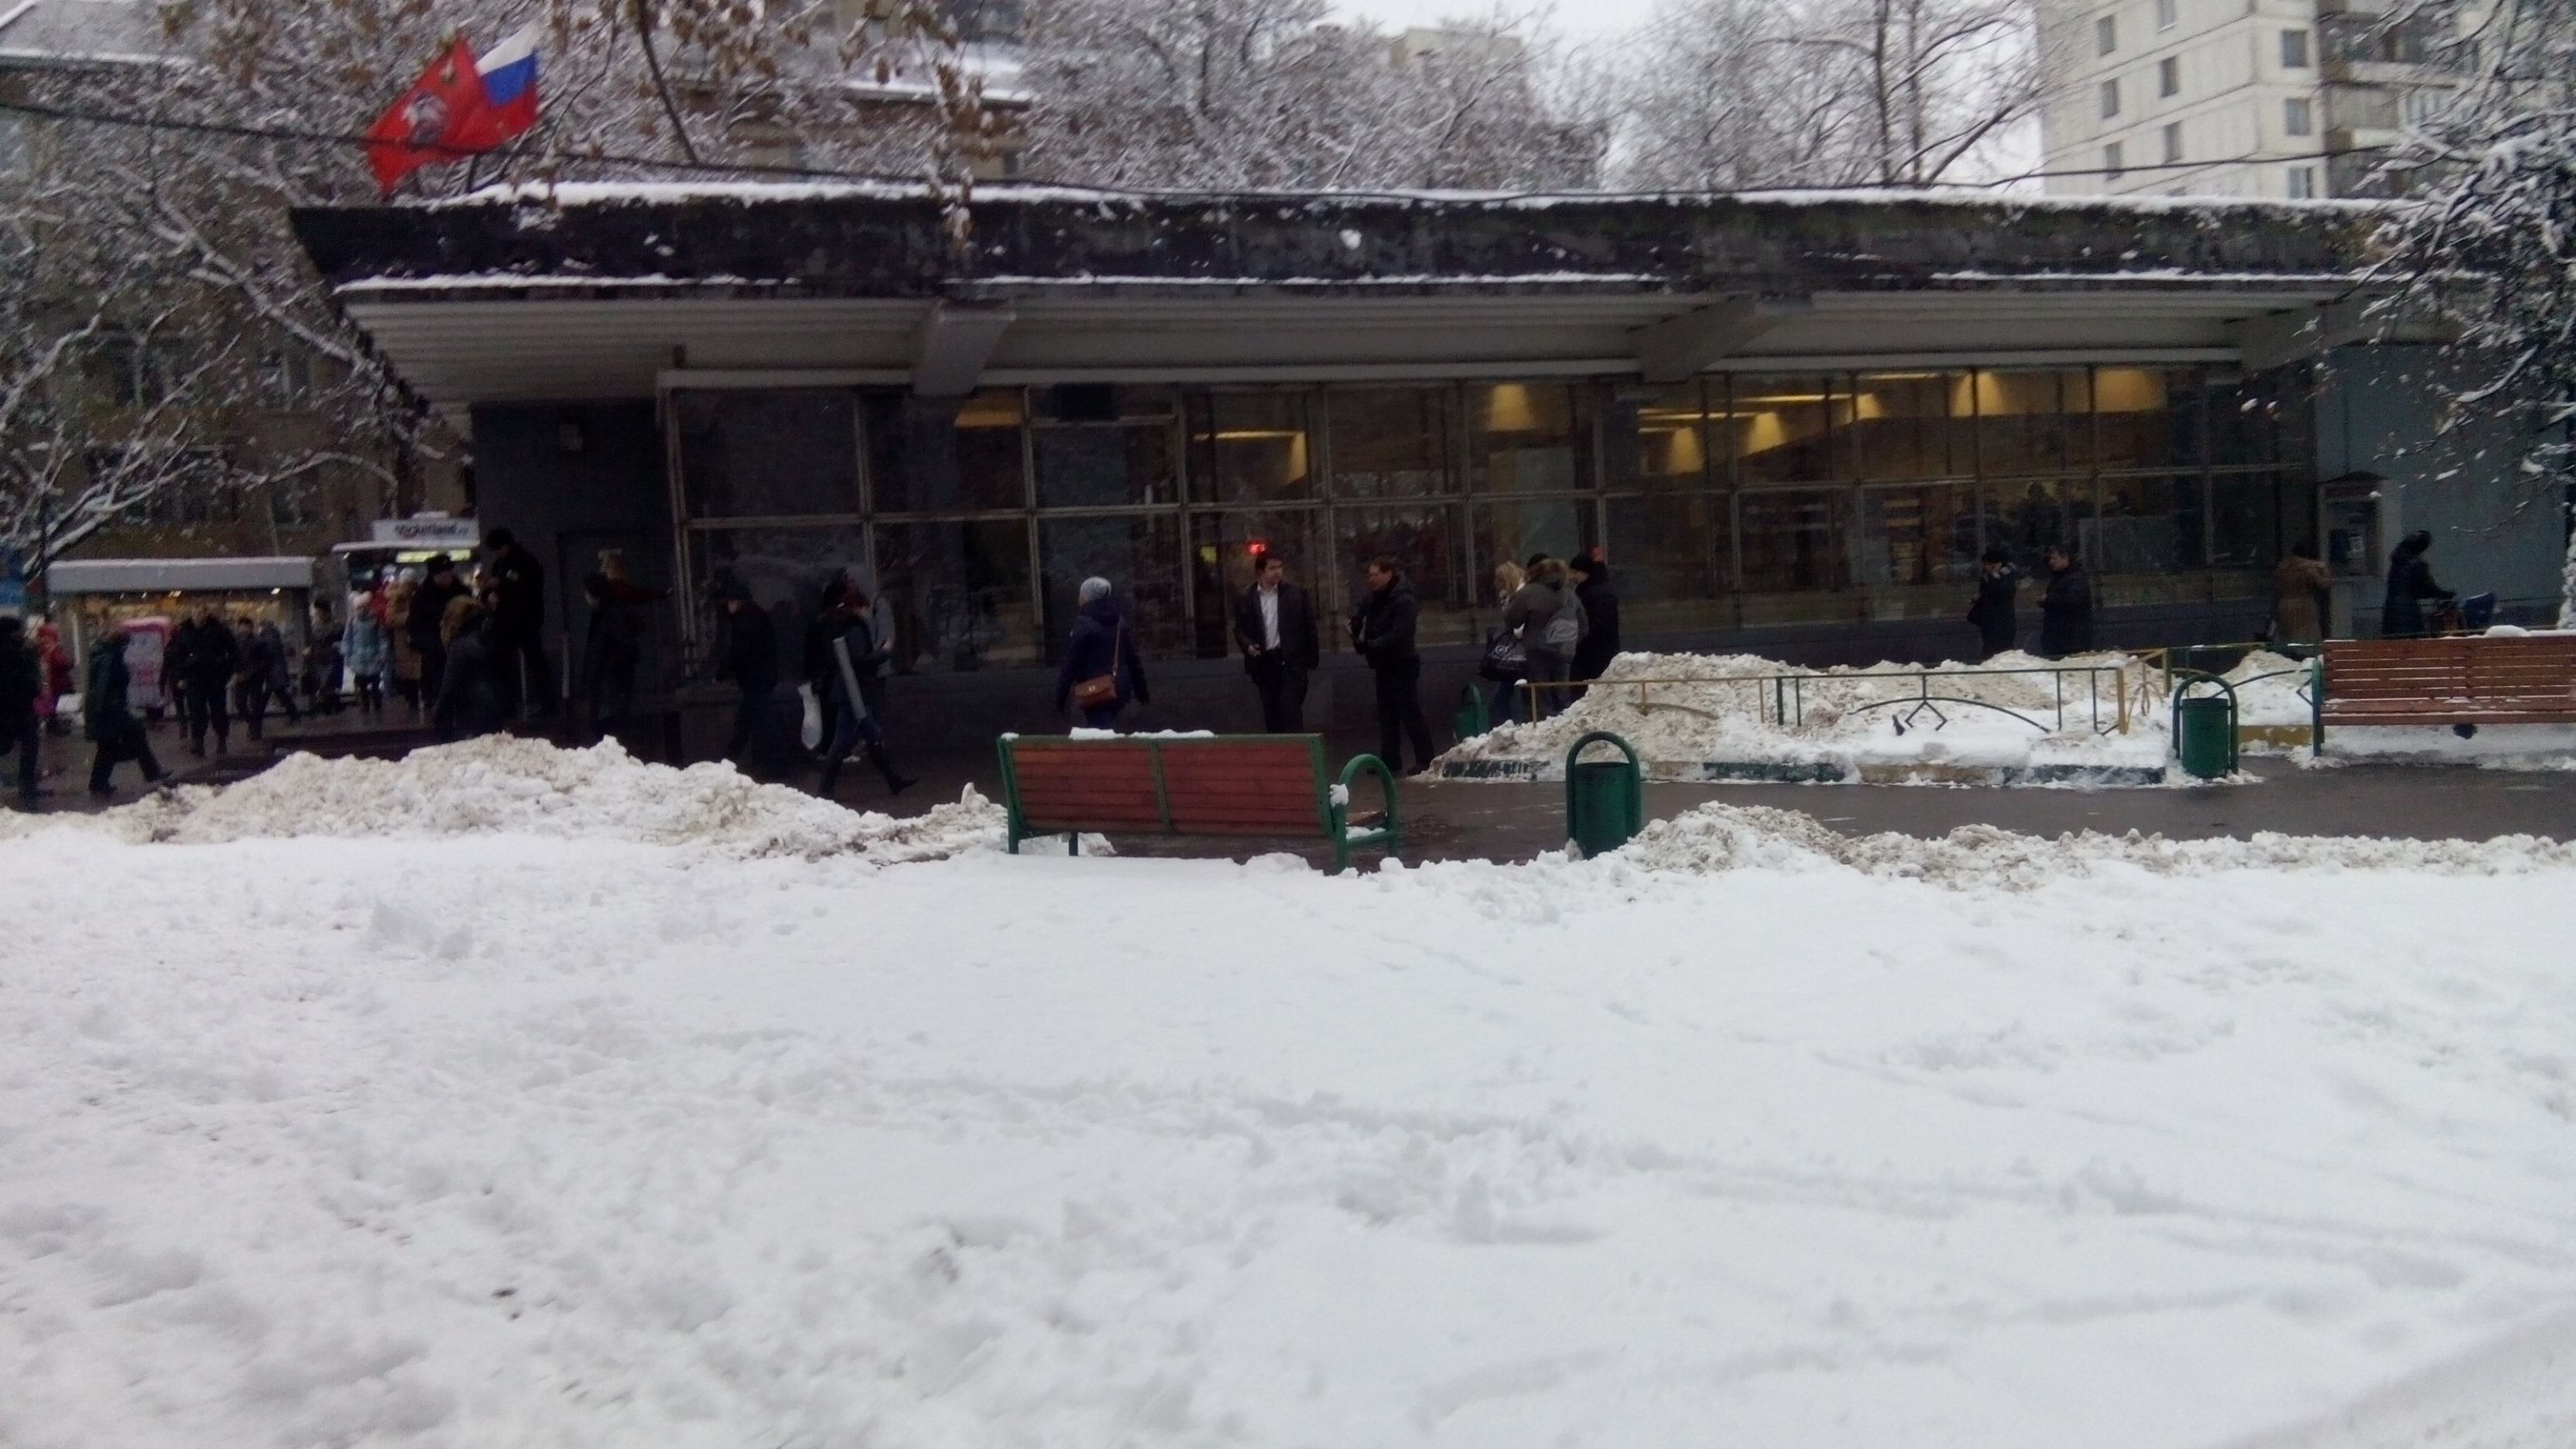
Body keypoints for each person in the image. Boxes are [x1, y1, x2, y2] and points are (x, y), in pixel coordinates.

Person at [812, 579, 917, 796]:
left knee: (872, 735)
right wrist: (885, 652)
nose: (867, 613)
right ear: (859, 607)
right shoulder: (854, 628)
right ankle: (825, 789)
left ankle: (893, 780)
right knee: (843, 741)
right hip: (853, 693)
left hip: (849, 691)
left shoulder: (838, 624)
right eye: (865, 608)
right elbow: (861, 660)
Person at [1350, 555, 1436, 773]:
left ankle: (1425, 758)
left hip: (1402, 662)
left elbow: (1400, 634)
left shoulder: (1404, 599)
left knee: (1409, 710)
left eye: (1375, 575)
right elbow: (1361, 605)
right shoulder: (1378, 596)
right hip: (1384, 663)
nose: (1371, 579)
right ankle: (1390, 759)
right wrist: (1356, 619)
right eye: (1369, 575)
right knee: (1387, 714)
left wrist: (1370, 644)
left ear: (1389, 574)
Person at [1232, 550, 1319, 733]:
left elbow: (1309, 626)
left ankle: (1297, 753)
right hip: (1264, 661)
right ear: (1260, 572)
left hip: (1290, 660)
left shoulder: (1296, 594)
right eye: (1272, 568)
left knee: (1290, 708)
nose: (1278, 572)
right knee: (1271, 711)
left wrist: (1310, 660)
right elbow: (1239, 629)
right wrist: (1248, 645)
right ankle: (1279, 755)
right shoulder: (1247, 597)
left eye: (1280, 567)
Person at [713, 580, 793, 775]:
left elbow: (738, 650)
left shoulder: (744, 620)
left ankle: (779, 761)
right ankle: (728, 759)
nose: (728, 606)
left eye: (730, 602)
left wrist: (721, 673)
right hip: (760, 676)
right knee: (745, 720)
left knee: (762, 719)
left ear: (737, 602)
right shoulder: (756, 616)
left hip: (754, 678)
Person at [82, 626, 169, 797]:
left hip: (104, 709)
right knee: (135, 735)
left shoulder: (101, 653)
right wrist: (107, 707)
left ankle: (99, 783)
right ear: (120, 644)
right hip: (110, 710)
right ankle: (151, 771)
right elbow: (103, 685)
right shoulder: (110, 657)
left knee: (107, 747)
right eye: (126, 645)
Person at [481, 527, 557, 720]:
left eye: (497, 549)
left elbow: (526, 587)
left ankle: (548, 704)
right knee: (505, 664)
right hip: (504, 620)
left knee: (535, 662)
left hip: (525, 620)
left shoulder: (525, 561)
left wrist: (500, 586)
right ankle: (508, 705)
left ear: (505, 545)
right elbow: (493, 586)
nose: (496, 553)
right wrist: (489, 595)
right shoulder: (500, 564)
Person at [1053, 576, 1149, 730]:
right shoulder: (1120, 622)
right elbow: (1133, 659)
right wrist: (1141, 691)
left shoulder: (1083, 624)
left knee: (1100, 733)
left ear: (1085, 598)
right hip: (1119, 688)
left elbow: (1071, 663)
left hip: (1094, 690)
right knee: (1111, 728)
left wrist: (1061, 696)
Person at [1504, 555, 1586, 718]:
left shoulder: (1529, 592)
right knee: (1562, 691)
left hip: (1537, 649)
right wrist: (1571, 642)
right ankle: (1566, 722)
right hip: (1565, 649)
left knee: (1541, 694)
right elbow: (1583, 625)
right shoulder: (1569, 593)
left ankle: (1545, 723)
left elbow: (1513, 620)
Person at [431, 603, 509, 742]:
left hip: (470, 712)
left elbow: (448, 687)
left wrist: (439, 715)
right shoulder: (485, 640)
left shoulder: (460, 647)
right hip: (493, 706)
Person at [173, 608, 239, 755]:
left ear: (206, 614)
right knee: (196, 710)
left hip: (215, 675)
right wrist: (180, 676)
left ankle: (221, 740)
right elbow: (178, 656)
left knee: (218, 710)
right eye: (195, 613)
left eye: (201, 612)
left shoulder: (219, 629)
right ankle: (198, 743)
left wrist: (230, 668)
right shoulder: (184, 631)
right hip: (194, 676)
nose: (198, 616)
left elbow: (233, 649)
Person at [406, 553, 468, 703]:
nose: (448, 577)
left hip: (458, 641)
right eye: (444, 574)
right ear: (435, 575)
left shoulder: (460, 591)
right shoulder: (422, 596)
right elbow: (415, 625)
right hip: (434, 644)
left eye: (450, 572)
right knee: (437, 671)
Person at [2381, 529, 2455, 638]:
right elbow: (2428, 589)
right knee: (2415, 644)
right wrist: (2445, 594)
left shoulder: (2398, 560)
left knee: (2393, 644)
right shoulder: (2417, 564)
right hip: (2409, 612)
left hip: (2391, 610)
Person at [1, 615, 42, 806]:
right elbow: (25, 680)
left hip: (10, 709)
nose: (22, 634)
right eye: (19, 631)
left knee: (17, 744)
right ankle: (27, 785)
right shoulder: (15, 653)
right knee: (29, 744)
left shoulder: (14, 650)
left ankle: (27, 784)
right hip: (18, 709)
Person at [1567, 551, 1622, 687]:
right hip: (1590, 650)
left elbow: (1601, 624)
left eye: (1575, 572)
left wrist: (1581, 637)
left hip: (1596, 652)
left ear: (1585, 572)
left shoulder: (1598, 592)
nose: (1572, 576)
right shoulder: (1585, 589)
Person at [241, 619, 300, 740]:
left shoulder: (266, 639)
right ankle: (294, 716)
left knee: (261, 702)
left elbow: (268, 657)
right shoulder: (274, 637)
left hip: (271, 674)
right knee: (279, 696)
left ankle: (255, 727)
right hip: (274, 673)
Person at [1484, 560, 1526, 725]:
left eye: (1500, 579)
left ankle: (1511, 729)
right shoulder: (1510, 597)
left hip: (1520, 652)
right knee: (1506, 697)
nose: (1496, 583)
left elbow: (1519, 626)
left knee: (1502, 699)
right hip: (1519, 651)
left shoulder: (1518, 597)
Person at [2270, 540, 2331, 646]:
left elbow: (2276, 589)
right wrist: (2324, 568)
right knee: (2306, 639)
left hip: (2284, 604)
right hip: (2303, 604)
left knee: (2288, 638)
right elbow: (2325, 584)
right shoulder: (2309, 567)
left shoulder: (2282, 566)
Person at [2036, 545, 2094, 658]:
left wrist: (2048, 599)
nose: (2051, 562)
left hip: (2071, 638)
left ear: (2065, 558)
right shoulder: (2059, 577)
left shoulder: (2077, 578)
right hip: (2058, 637)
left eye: (2055, 558)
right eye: (2050, 559)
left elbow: (2073, 601)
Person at [1966, 546, 2019, 659]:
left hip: (2003, 623)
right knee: (1989, 651)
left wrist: (1995, 577)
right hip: (1989, 622)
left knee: (2002, 654)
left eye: (1989, 564)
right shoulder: (1986, 578)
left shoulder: (2006, 577)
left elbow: (2001, 593)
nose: (1986, 567)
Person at [385, 570, 426, 714]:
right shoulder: (397, 597)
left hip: (418, 638)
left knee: (421, 669)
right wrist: (411, 617)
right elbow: (391, 618)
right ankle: (412, 700)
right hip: (404, 640)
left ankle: (423, 699)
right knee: (409, 673)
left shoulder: (420, 594)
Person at [344, 592, 389, 716]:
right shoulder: (352, 622)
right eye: (359, 607)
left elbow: (382, 639)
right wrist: (348, 656)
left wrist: (382, 654)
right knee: (362, 685)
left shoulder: (376, 621)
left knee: (375, 684)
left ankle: (377, 704)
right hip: (359, 658)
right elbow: (347, 639)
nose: (361, 610)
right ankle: (365, 705)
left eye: (363, 606)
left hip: (373, 657)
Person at [305, 601, 345, 714]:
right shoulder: (314, 627)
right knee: (324, 686)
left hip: (332, 659)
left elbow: (342, 640)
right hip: (320, 659)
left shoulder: (336, 626)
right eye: (318, 613)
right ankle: (328, 708)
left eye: (320, 612)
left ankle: (333, 707)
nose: (318, 615)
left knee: (332, 685)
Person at [33, 618, 72, 735]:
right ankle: (57, 727)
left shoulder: (40, 649)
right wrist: (70, 661)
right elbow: (61, 663)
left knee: (51, 705)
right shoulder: (53, 648)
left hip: (46, 683)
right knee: (58, 706)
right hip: (58, 682)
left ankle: (51, 724)